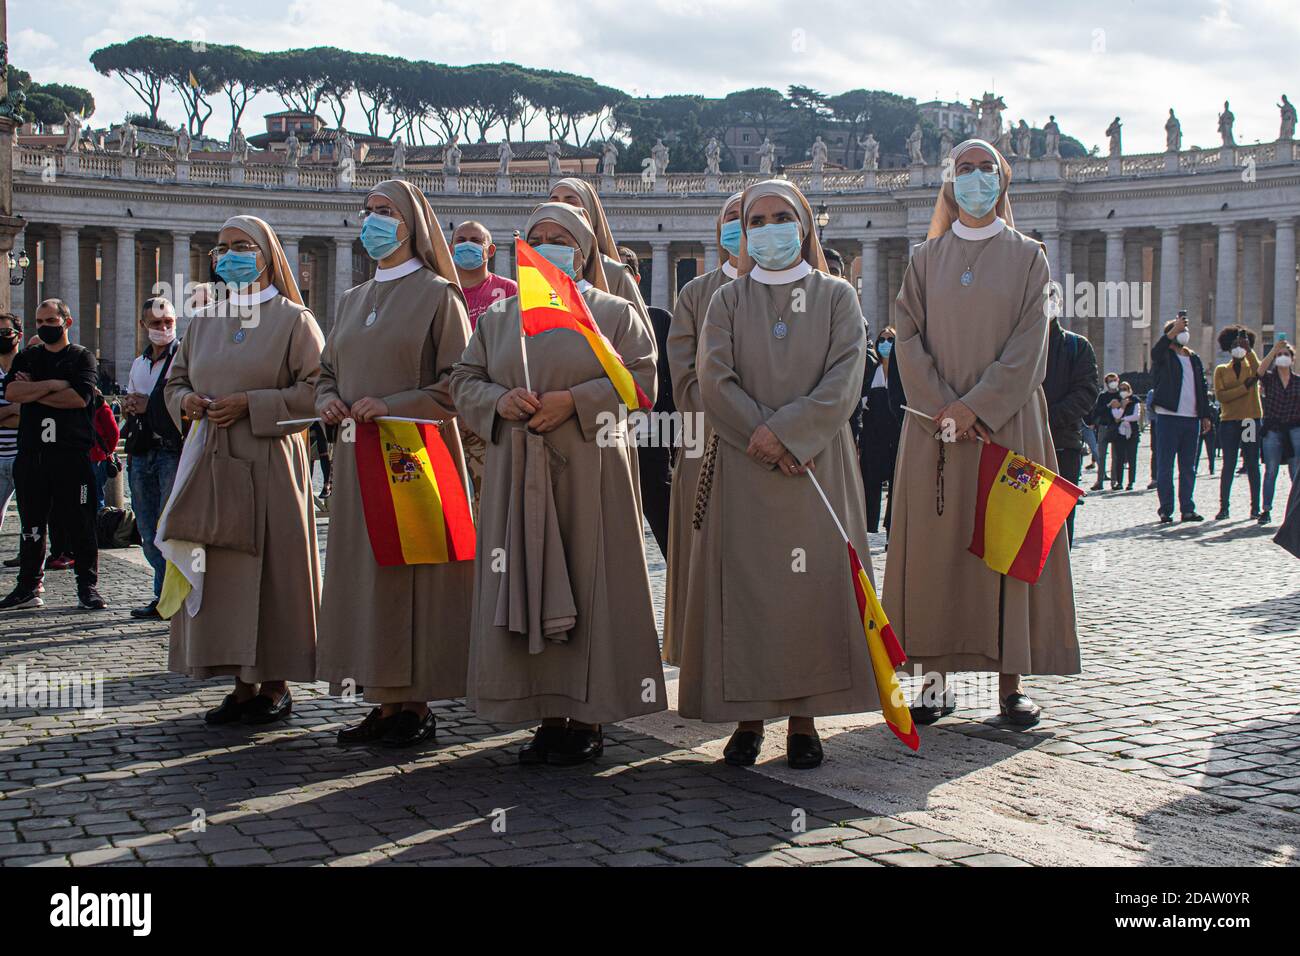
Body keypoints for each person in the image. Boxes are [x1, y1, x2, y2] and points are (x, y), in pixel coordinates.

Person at [450, 201, 664, 766]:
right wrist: (499, 400)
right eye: (537, 236)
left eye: (559, 237)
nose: (546, 246)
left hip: (591, 471)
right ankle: (546, 709)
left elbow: (643, 382)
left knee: (590, 584)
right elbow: (463, 381)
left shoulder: (614, 313)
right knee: (526, 576)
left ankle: (589, 712)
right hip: (517, 472)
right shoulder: (499, 318)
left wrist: (575, 401)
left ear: (584, 249)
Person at [677, 179, 876, 770]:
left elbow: (846, 377)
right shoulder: (725, 301)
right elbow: (714, 379)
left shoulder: (838, 295)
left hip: (816, 464)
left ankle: (804, 719)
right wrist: (767, 435)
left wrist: (788, 433)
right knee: (750, 591)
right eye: (756, 220)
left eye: (780, 216)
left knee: (809, 594)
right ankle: (747, 717)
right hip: (747, 462)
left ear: (805, 224)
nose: (767, 229)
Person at [884, 138, 1079, 729]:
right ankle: (935, 682)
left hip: (1008, 425)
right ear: (950, 182)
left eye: (984, 168)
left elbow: (1029, 347)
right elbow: (906, 339)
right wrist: (943, 405)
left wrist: (973, 408)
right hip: (934, 429)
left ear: (1003, 179)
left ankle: (1010, 686)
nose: (974, 178)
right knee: (937, 554)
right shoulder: (924, 258)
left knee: (1008, 549)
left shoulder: (1030, 256)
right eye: (963, 169)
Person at [315, 179, 475, 749]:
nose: (373, 219)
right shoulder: (351, 300)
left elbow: (461, 381)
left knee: (413, 576)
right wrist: (326, 402)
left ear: (411, 223)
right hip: (357, 457)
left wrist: (394, 405)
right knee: (367, 576)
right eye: (368, 211)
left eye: (385, 211)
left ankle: (417, 701)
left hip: (415, 457)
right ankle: (382, 698)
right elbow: (325, 372)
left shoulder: (439, 294)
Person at [164, 216, 325, 724]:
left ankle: (273, 683)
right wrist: (187, 400)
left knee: (270, 573)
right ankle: (238, 679)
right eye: (222, 248)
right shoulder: (204, 320)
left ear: (267, 255)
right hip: (210, 459)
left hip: (270, 461)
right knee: (221, 575)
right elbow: (174, 381)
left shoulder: (295, 320)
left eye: (242, 247)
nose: (229, 255)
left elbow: (317, 391)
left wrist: (252, 405)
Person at [663, 191, 742, 666]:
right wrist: (739, 421)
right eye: (729, 218)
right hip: (708, 438)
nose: (738, 226)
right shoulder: (695, 293)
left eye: (744, 216)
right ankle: (707, 655)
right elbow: (683, 374)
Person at [0, 299, 105, 611]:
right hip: (33, 454)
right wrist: (54, 386)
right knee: (31, 525)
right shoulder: (29, 356)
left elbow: (78, 398)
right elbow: (12, 394)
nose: (44, 327)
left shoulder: (82, 357)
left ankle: (87, 585)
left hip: (72, 455)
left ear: (66, 322)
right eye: (40, 322)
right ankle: (28, 585)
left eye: (50, 321)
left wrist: (36, 392)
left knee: (81, 524)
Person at [124, 297, 184, 618]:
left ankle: (168, 598)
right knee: (147, 531)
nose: (163, 329)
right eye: (156, 324)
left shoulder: (183, 358)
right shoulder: (139, 363)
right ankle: (164, 593)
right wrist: (131, 406)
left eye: (168, 323)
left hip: (170, 452)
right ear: (144, 326)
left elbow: (186, 402)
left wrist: (150, 405)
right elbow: (139, 401)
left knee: (169, 528)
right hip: (141, 453)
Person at [548, 177, 651, 334]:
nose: (561, 207)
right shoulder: (537, 269)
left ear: (589, 211)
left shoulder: (616, 274)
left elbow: (641, 339)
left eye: (571, 201)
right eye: (554, 200)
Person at [1150, 311, 1213, 523]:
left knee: (1188, 466)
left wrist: (1205, 414)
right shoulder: (1164, 355)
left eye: (1185, 330)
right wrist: (1173, 330)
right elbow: (1155, 351)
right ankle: (1166, 508)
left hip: (1191, 418)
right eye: (1180, 331)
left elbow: (1201, 388)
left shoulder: (1193, 357)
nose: (1183, 334)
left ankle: (1187, 508)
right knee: (1165, 465)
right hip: (1168, 416)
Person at [1043, 313, 1098, 543]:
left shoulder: (1077, 346)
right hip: (1018, 446)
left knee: (1059, 526)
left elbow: (1086, 393)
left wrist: (1044, 419)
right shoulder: (1011, 345)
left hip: (1062, 446)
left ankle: (1058, 579)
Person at [1212, 325, 1262, 520]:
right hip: (1230, 421)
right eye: (1235, 344)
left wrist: (1249, 350)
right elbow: (1221, 396)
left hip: (1249, 419)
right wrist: (1244, 388)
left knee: (1252, 463)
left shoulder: (1252, 364)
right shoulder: (1221, 370)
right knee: (1229, 463)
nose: (1238, 347)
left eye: (1240, 344)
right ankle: (1224, 507)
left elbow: (1261, 371)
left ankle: (1255, 507)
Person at [860, 326, 903, 535]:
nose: (885, 344)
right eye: (882, 340)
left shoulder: (902, 372)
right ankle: (869, 528)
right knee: (871, 482)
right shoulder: (871, 370)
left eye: (890, 340)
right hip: (873, 437)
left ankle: (891, 529)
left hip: (895, 437)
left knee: (897, 484)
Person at [1258, 338, 1300, 525]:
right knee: (1271, 470)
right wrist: (1274, 350)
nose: (1283, 357)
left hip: (1294, 429)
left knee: (1296, 472)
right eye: (1280, 355)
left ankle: (1295, 510)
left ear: (1293, 359)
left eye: (1286, 354)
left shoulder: (1298, 381)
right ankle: (1266, 509)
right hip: (1273, 429)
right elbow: (1259, 371)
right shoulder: (1269, 379)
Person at [0, 312, 23, 567]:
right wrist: (15, 409)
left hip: (26, 454)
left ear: (18, 335)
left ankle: (30, 580)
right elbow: (22, 411)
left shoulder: (30, 368)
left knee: (33, 522)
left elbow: (32, 415)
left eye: (6, 333)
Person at [87, 387, 121, 510]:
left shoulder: (102, 409)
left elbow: (114, 433)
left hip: (98, 457)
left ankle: (100, 526)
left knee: (96, 496)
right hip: (88, 456)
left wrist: (106, 452)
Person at [1088, 372, 1121, 490]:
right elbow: (1097, 411)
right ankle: (1099, 481)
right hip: (1104, 427)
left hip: (1116, 427)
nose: (1113, 383)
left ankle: (1114, 481)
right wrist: (1108, 405)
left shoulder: (1121, 395)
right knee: (1101, 455)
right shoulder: (1102, 396)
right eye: (1110, 381)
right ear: (1106, 384)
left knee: (1116, 456)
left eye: (1115, 380)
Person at [1108, 381, 1141, 491]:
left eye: (1125, 389)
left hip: (1132, 433)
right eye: (1121, 389)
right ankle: (1119, 482)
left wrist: (1123, 419)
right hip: (1119, 434)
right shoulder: (1115, 401)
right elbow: (1115, 415)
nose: (1123, 391)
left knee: (1132, 458)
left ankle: (1131, 482)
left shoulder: (1135, 401)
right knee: (1119, 459)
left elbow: (1136, 416)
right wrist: (1122, 406)